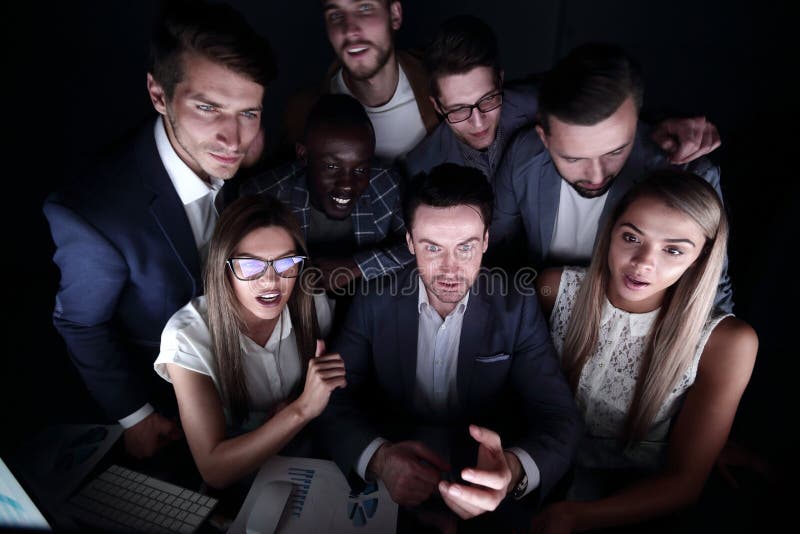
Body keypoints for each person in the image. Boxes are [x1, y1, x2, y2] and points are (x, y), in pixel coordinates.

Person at [42, 0, 276, 459]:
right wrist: (136, 415)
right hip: (169, 411)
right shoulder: (95, 216)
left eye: (249, 112)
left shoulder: (245, 156)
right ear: (158, 94)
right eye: (208, 108)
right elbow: (81, 324)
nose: (234, 139)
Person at [316, 163, 581, 528]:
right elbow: (332, 396)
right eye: (432, 248)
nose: (450, 269)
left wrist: (512, 472)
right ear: (410, 242)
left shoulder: (516, 304)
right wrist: (379, 460)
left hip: (482, 476)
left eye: (466, 248)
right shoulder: (373, 298)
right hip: (394, 471)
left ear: (486, 240)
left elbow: (558, 416)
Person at [531, 170, 758, 533]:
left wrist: (577, 516)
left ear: (700, 258)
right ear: (611, 233)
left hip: (636, 494)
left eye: (673, 250)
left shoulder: (727, 341)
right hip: (545, 460)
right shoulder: (554, 289)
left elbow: (685, 481)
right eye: (631, 237)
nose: (642, 262)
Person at [490, 42, 733, 312]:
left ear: (636, 124)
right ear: (544, 139)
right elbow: (496, 257)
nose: (596, 175)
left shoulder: (688, 173)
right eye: (573, 158)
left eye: (615, 151)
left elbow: (713, 293)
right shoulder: (524, 154)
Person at [153, 195, 345, 488]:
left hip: (313, 462)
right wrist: (301, 408)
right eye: (251, 266)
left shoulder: (312, 304)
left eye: (286, 263)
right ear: (224, 267)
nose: (271, 281)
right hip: (243, 482)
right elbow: (214, 469)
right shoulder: (187, 337)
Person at [404, 17, 721, 184]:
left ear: (501, 80)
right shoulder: (420, 167)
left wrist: (660, 126)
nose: (477, 121)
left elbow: (602, 105)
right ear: (436, 105)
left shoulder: (540, 98)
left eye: (487, 100)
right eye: (458, 110)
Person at [241, 94, 413, 293]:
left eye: (360, 169)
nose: (347, 185)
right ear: (304, 156)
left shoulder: (387, 184)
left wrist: (357, 266)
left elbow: (416, 247)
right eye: (332, 166)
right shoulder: (262, 195)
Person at [281, 0, 438, 162]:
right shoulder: (302, 116)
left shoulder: (439, 78)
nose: (349, 31)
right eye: (335, 15)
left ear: (394, 15)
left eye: (365, 8)